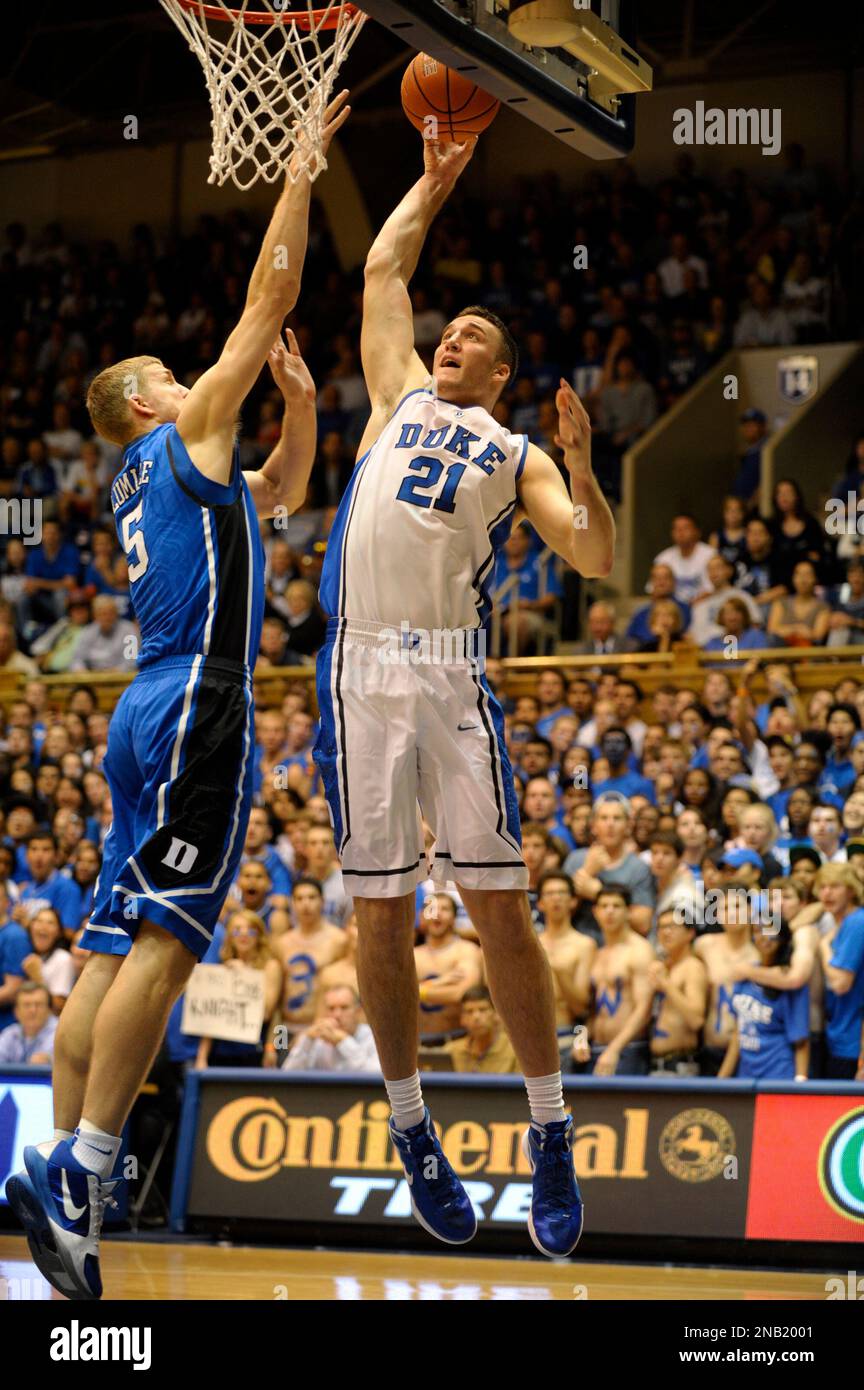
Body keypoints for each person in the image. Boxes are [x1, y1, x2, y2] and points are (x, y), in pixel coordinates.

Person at [5, 91, 351, 1303]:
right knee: (171, 930)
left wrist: (304, 412)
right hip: (201, 698)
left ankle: (65, 1189)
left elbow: (283, 498)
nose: (188, 373)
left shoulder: (165, 478)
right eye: (169, 371)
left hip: (139, 708)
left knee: (106, 939)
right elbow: (271, 297)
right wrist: (300, 169)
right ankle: (89, 1163)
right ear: (152, 401)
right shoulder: (184, 427)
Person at [312, 136, 615, 1258]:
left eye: (476, 338)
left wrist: (584, 467)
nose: (452, 339)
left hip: (448, 668)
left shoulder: (516, 446)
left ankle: (549, 1132)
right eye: (452, 331)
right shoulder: (394, 396)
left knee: (501, 908)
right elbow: (381, 276)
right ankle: (410, 1130)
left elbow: (590, 555)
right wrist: (435, 183)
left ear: (500, 374)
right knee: (379, 912)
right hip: (356, 669)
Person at [720, 916, 810, 1080]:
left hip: (778, 1074)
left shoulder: (789, 982)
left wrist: (800, 1083)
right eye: (757, 930)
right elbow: (738, 1033)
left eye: (770, 930)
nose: (764, 936)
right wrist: (722, 1078)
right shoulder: (745, 974)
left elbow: (801, 1041)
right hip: (746, 1075)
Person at [578, 886, 654, 1076]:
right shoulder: (598, 952)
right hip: (596, 1048)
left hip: (628, 1048)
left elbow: (644, 1008)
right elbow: (593, 1009)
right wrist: (581, 1036)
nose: (609, 911)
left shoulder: (639, 950)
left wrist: (615, 1049)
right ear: (595, 912)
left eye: (616, 906)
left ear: (629, 912)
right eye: (604, 906)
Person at [194, 910, 283, 1069]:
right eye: (237, 930)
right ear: (230, 937)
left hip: (255, 1048)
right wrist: (202, 1057)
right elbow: (212, 1014)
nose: (243, 934)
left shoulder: (271, 966)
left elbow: (268, 1012)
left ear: (259, 935)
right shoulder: (225, 967)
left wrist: (244, 975)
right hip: (222, 1048)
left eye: (250, 929)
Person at [693, 888, 760, 1074]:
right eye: (724, 908)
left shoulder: (761, 952)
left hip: (749, 1050)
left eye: (738, 906)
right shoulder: (704, 946)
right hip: (708, 1048)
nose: (731, 913)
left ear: (750, 910)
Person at [273, 877, 347, 1038]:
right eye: (299, 898)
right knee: (280, 1060)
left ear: (323, 901)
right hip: (285, 1028)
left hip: (324, 1029)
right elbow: (278, 997)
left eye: (312, 897)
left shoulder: (338, 940)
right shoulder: (282, 943)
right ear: (292, 903)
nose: (306, 904)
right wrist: (271, 1045)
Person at [815, 864, 864, 1080]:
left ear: (851, 890)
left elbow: (840, 983)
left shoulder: (857, 922)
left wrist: (824, 945)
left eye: (835, 886)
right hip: (841, 1037)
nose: (827, 893)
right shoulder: (845, 924)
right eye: (822, 887)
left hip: (852, 1045)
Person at [648, 910, 708, 1075]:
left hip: (679, 1064)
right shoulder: (663, 966)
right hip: (655, 1062)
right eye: (661, 927)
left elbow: (696, 1020)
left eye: (672, 926)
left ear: (690, 933)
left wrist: (666, 985)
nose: (665, 932)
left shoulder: (693, 967)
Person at [414, 892, 483, 1036]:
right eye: (431, 909)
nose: (437, 914)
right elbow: (398, 996)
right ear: (422, 917)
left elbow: (462, 994)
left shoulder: (467, 951)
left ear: (454, 918)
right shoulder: (412, 955)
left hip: (458, 1038)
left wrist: (418, 990)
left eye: (444, 909)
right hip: (418, 1042)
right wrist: (440, 982)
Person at [535, 873, 595, 1030]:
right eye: (549, 893)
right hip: (531, 1032)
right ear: (540, 903)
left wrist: (560, 972)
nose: (556, 898)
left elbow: (581, 1008)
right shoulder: (531, 945)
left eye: (562, 892)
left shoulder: (584, 945)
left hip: (566, 1030)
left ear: (573, 901)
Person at [282, 984, 381, 1072]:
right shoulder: (318, 1039)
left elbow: (376, 1075)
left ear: (358, 1012)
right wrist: (307, 1040)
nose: (337, 1015)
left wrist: (344, 1041)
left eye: (344, 1007)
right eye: (331, 1008)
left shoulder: (373, 1037)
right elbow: (288, 1076)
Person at [446, 985, 519, 1074]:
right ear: (462, 1019)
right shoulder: (450, 1051)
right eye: (469, 1011)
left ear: (497, 1015)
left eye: (483, 1010)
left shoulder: (516, 1051)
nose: (476, 1017)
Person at [21, 907, 77, 1014]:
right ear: (30, 927)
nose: (43, 926)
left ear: (59, 932)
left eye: (50, 923)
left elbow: (59, 1007)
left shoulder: (63, 959)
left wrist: (37, 978)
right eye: (39, 921)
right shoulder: (27, 953)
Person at [0, 981, 58, 1064]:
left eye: (38, 1004)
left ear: (49, 1010)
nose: (32, 1010)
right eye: (26, 1005)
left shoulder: (58, 1033)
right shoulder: (10, 1033)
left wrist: (48, 1060)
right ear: (16, 1012)